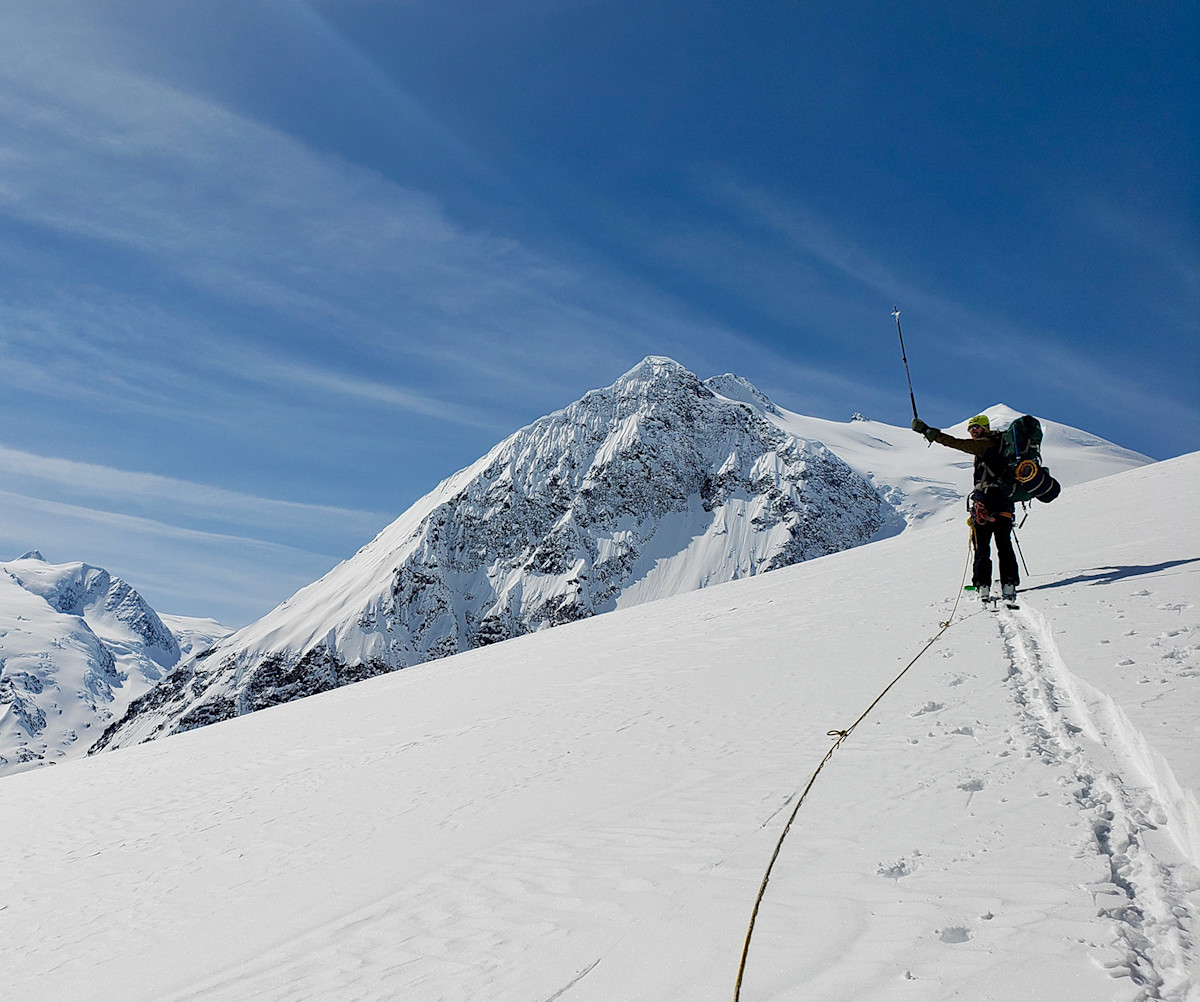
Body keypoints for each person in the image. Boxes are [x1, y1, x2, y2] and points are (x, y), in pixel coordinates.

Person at [911, 413, 1018, 603]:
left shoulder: (984, 445)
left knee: (982, 546)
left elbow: (956, 443)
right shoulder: (1002, 447)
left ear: (984, 427)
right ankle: (1009, 584)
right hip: (1004, 504)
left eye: (975, 427)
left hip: (985, 502)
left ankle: (983, 585)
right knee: (1004, 544)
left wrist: (929, 432)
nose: (972, 431)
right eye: (970, 428)